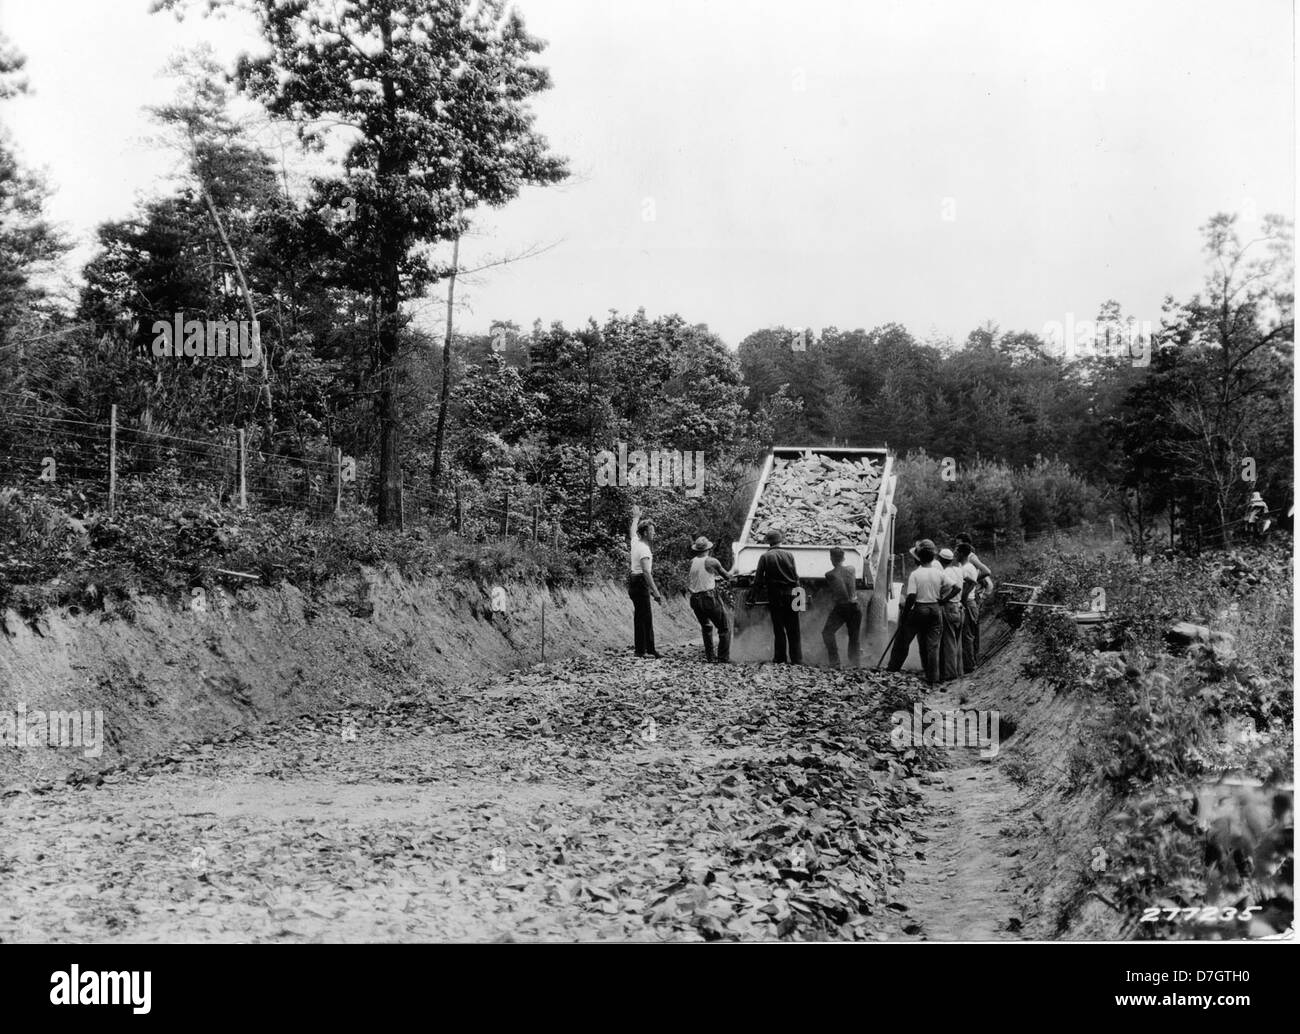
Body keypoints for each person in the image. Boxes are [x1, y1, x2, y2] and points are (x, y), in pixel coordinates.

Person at [887, 539, 944, 684]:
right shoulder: (937, 571)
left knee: (903, 639)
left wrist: (905, 613)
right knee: (932, 645)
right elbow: (953, 586)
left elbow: (911, 596)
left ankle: (893, 668)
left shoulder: (915, 574)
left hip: (919, 608)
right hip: (935, 609)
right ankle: (932, 677)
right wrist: (941, 599)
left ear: (918, 558)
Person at [755, 529, 802, 664]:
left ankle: (780, 658)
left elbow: (758, 580)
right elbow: (796, 577)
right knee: (794, 628)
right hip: (792, 594)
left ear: (769, 543)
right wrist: (800, 600)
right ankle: (797, 658)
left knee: (779, 628)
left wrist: (753, 596)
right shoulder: (789, 555)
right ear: (780, 541)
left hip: (775, 596)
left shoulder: (765, 557)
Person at [628, 504, 664, 657]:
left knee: (640, 616)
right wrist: (656, 592)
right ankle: (645, 650)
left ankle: (643, 649)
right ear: (644, 533)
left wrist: (636, 517)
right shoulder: (644, 549)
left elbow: (632, 532)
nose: (653, 533)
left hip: (633, 581)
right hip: (640, 581)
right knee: (645, 617)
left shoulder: (636, 542)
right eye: (651, 531)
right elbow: (646, 573)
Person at [688, 536, 732, 663]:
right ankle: (723, 658)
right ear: (708, 548)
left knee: (706, 627)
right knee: (724, 628)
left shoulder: (692, 562)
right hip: (709, 598)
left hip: (695, 599)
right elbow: (727, 576)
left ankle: (710, 657)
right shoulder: (712, 561)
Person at [821, 547, 862, 668]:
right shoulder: (851, 569)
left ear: (831, 559)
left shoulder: (829, 575)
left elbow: (835, 591)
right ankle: (855, 663)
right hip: (855, 607)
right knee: (854, 636)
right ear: (843, 558)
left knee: (827, 633)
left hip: (841, 608)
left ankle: (835, 662)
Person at [954, 542, 984, 672]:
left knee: (967, 635)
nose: (955, 554)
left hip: (969, 602)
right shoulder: (967, 567)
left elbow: (969, 585)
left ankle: (970, 666)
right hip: (971, 602)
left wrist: (963, 601)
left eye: (956, 552)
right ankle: (970, 663)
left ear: (961, 553)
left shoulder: (966, 568)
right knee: (969, 634)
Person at [937, 547, 965, 681]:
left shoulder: (944, 572)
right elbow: (969, 582)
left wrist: (944, 600)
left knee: (948, 642)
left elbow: (955, 588)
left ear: (940, 559)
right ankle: (959, 670)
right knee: (957, 641)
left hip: (949, 607)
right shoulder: (959, 570)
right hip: (959, 606)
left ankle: (950, 674)